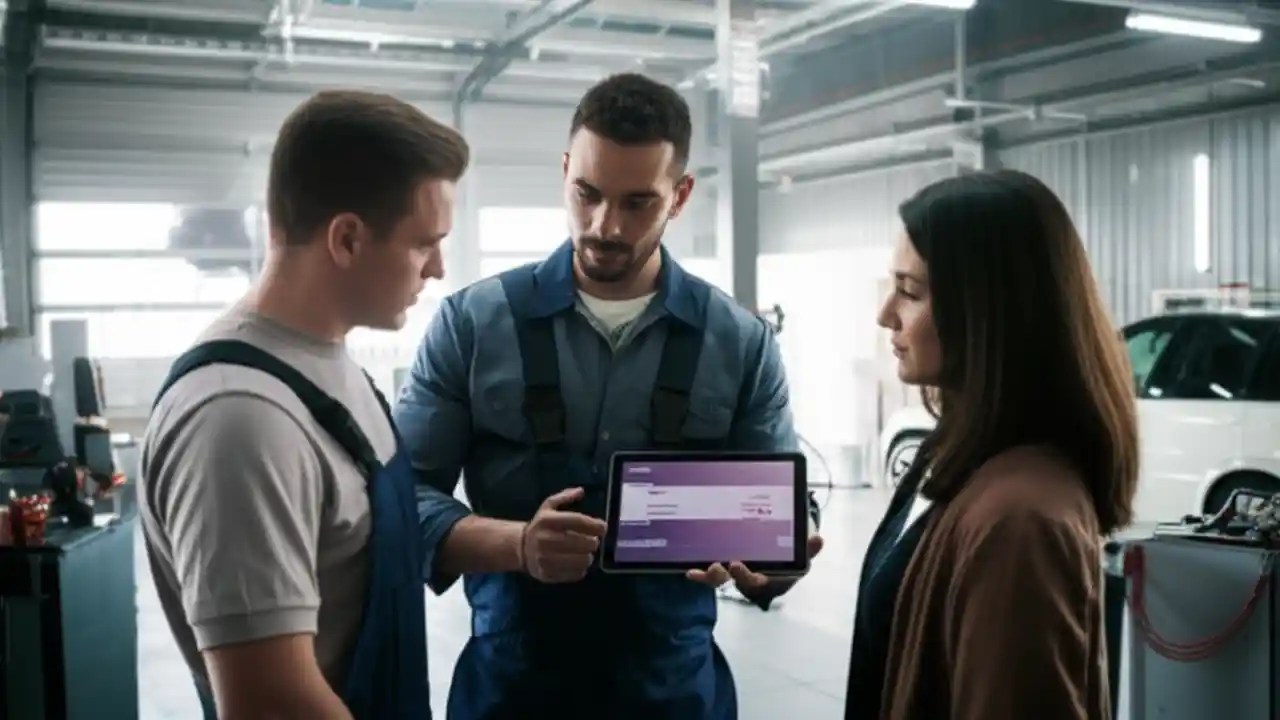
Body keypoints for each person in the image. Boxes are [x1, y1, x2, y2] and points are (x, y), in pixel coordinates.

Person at [394, 72, 823, 720]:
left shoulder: (743, 345)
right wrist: (517, 545)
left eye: (636, 203)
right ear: (565, 171)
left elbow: (772, 529)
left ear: (679, 197)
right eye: (586, 194)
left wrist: (777, 563)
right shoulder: (470, 326)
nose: (604, 226)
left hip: (675, 694)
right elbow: (403, 500)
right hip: (511, 694)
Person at [139, 90, 469, 720]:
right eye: (424, 243)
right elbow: (271, 703)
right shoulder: (240, 419)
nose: (438, 269)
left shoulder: (330, 365)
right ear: (346, 238)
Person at [846, 169, 1139, 720]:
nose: (886, 314)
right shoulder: (956, 452)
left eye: (910, 292)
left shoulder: (1020, 519)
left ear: (986, 309)